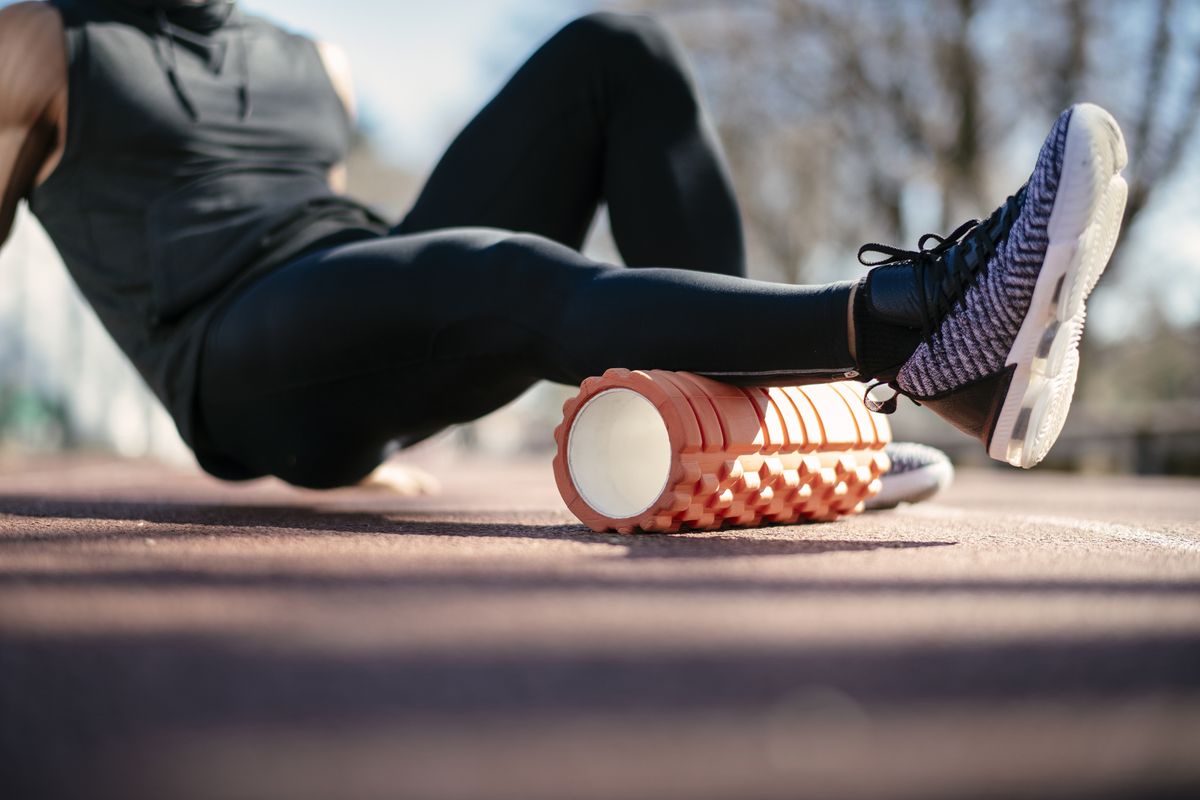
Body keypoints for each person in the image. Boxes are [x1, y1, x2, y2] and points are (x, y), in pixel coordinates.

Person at [0, 0, 1127, 491]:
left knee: (615, 51)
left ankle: (771, 428)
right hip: (230, 356)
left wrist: (375, 412)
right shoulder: (42, 43)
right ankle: (909, 324)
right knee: (494, 272)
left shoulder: (312, 60)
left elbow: (356, 261)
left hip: (352, 305)